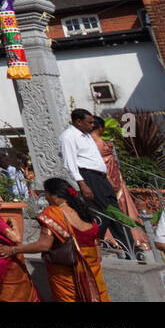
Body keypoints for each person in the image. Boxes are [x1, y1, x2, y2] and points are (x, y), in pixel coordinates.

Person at [0, 177, 110, 302]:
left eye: (45, 193)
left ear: (53, 194)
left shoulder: (53, 213)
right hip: (93, 272)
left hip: (66, 274)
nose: (45, 197)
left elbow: (44, 245)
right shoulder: (84, 212)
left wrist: (14, 249)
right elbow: (97, 246)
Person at [59, 109, 136, 259]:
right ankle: (89, 247)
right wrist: (82, 184)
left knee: (115, 212)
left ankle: (131, 250)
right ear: (78, 122)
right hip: (88, 177)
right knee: (103, 213)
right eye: (89, 122)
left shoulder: (87, 136)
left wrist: (107, 179)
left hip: (100, 178)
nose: (92, 125)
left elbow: (96, 160)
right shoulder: (69, 137)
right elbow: (70, 163)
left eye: (93, 122)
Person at [89, 116, 150, 255]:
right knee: (113, 211)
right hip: (107, 180)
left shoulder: (91, 142)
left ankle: (127, 242)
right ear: (100, 127)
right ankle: (120, 241)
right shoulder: (94, 143)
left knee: (116, 210)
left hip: (112, 178)